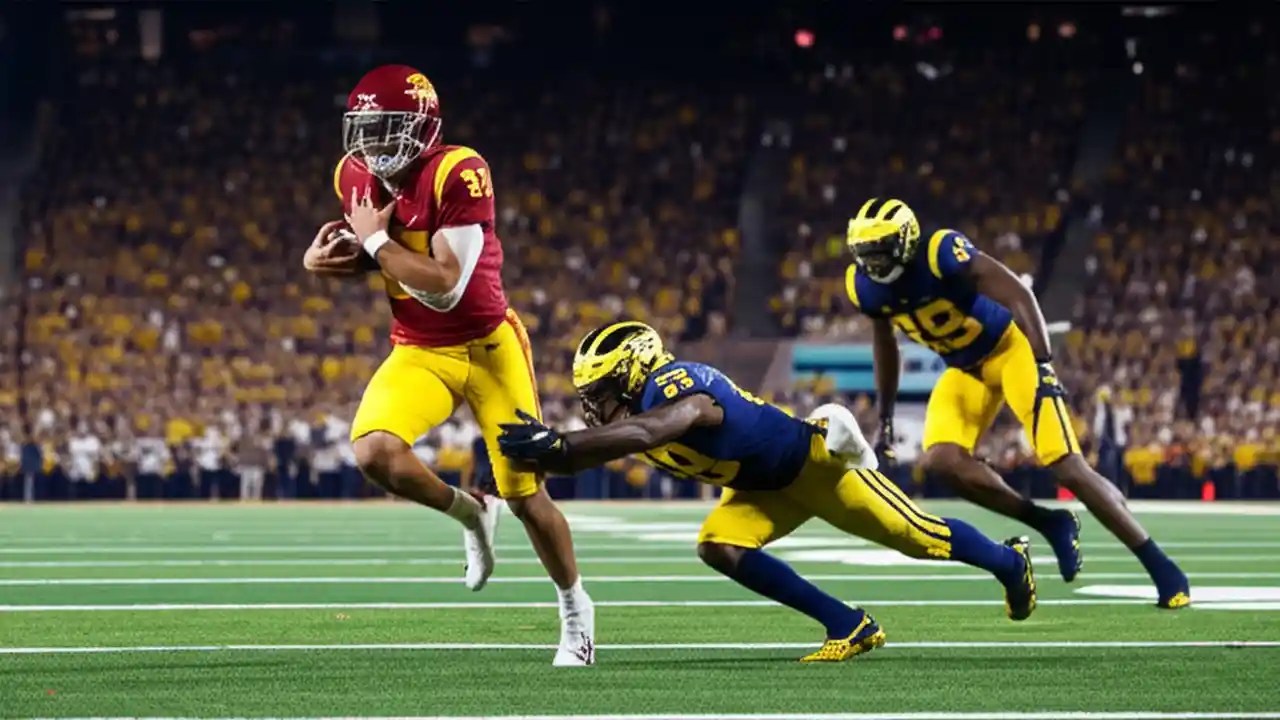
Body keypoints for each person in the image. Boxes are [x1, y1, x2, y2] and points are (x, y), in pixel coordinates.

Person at [497, 321, 1037, 663]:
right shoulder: (635, 411)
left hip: (812, 466)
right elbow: (599, 447)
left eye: (603, 392)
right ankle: (848, 623)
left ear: (635, 374)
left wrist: (564, 443)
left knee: (915, 536)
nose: (594, 406)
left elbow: (655, 429)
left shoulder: (674, 384)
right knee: (719, 545)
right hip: (758, 487)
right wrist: (544, 457)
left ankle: (1008, 561)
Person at [301, 64, 592, 665]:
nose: (374, 144)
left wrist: (375, 242)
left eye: (387, 128)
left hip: (488, 348)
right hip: (418, 347)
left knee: (525, 494)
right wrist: (322, 260)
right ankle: (470, 511)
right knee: (374, 452)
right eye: (365, 129)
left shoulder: (458, 170)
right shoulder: (352, 175)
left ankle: (575, 610)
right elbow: (379, 261)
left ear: (422, 126)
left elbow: (445, 286)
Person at [843, 197, 1189, 609]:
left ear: (905, 240)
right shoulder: (863, 286)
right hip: (964, 370)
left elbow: (1018, 292)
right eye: (864, 252)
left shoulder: (939, 253)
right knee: (941, 463)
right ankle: (1049, 522)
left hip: (1010, 350)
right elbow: (885, 346)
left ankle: (1163, 569)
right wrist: (885, 417)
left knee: (1065, 465)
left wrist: (1043, 364)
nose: (872, 262)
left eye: (879, 250)